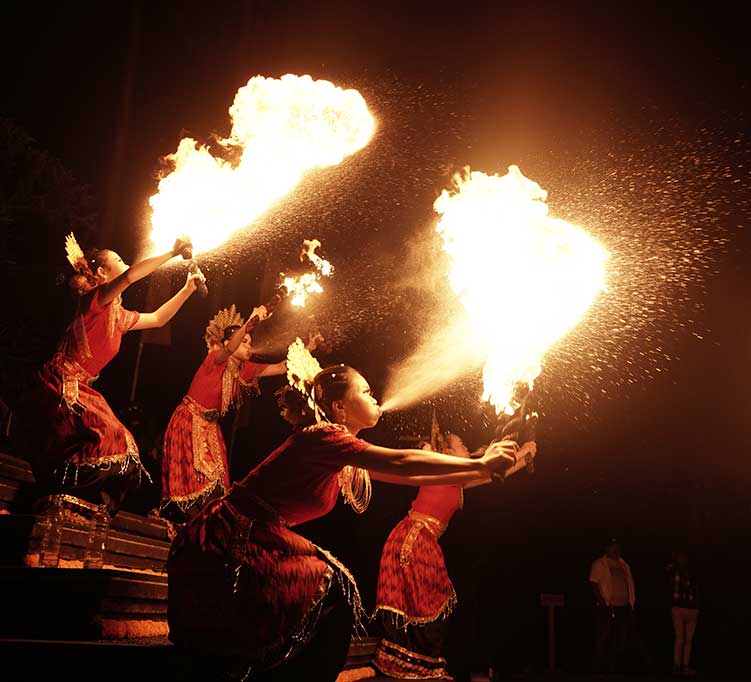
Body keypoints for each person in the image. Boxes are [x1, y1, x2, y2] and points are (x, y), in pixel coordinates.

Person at [166, 362, 519, 682]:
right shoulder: (324, 438)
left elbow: (407, 473)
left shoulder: (339, 449)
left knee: (329, 594)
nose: (375, 396)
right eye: (365, 391)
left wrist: (484, 468)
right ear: (339, 408)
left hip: (258, 535)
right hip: (231, 537)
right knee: (331, 589)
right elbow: (402, 463)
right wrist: (482, 466)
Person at [10, 233, 200, 515]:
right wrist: (170, 253)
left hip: (82, 389)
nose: (126, 264)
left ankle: (74, 507)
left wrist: (188, 288)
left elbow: (158, 318)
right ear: (101, 272)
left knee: (122, 443)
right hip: (60, 384)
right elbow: (129, 278)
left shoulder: (119, 315)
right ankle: (56, 499)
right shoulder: (94, 301)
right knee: (109, 438)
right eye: (119, 260)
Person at [372, 426, 538, 680]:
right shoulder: (444, 469)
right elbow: (489, 470)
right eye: (460, 443)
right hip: (413, 539)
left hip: (417, 539)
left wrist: (525, 455)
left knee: (425, 601)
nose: (467, 447)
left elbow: (489, 475)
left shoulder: (454, 476)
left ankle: (417, 667)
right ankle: (411, 667)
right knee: (422, 602)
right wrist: (524, 453)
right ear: (447, 451)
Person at [158, 307, 313, 522]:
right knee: (196, 477)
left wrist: (304, 350)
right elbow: (230, 348)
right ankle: (182, 521)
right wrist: (251, 320)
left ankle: (202, 526)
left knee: (218, 482)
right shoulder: (216, 358)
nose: (248, 346)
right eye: (244, 341)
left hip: (210, 427)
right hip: (189, 420)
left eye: (250, 342)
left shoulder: (245, 369)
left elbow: (280, 367)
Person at [590, 538, 645, 673]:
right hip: (607, 606)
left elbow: (630, 585)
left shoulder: (624, 565)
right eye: (612, 547)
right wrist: (603, 602)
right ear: (606, 548)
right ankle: (597, 667)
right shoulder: (600, 564)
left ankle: (613, 666)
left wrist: (631, 604)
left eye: (617, 547)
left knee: (621, 637)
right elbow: (593, 584)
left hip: (624, 607)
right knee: (603, 636)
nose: (615, 549)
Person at [667, 550, 700, 676]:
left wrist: (697, 608)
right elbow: (668, 572)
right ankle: (677, 665)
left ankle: (685, 665)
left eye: (684, 557)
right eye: (680, 557)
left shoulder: (692, 572)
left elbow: (697, 589)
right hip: (678, 608)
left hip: (691, 609)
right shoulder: (673, 570)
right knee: (680, 638)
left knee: (688, 639)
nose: (682, 559)